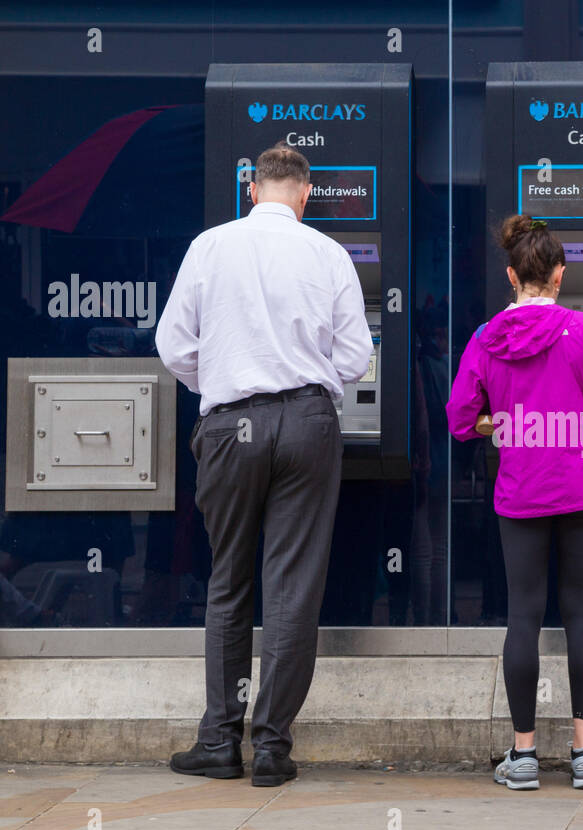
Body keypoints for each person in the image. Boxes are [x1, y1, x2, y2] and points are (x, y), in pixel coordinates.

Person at [156, 143, 374, 787]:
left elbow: (173, 347)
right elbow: (356, 357)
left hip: (230, 425)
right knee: (292, 586)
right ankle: (273, 749)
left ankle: (219, 741)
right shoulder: (329, 254)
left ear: (251, 188)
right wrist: (304, 384)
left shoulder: (209, 246)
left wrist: (226, 380)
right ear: (304, 194)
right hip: (308, 423)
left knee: (229, 580)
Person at [447, 214, 583, 790]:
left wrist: (494, 421)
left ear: (511, 274)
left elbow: (458, 420)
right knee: (580, 611)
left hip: (520, 490)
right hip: (581, 488)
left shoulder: (484, 338)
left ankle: (523, 757)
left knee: (523, 613)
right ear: (558, 275)